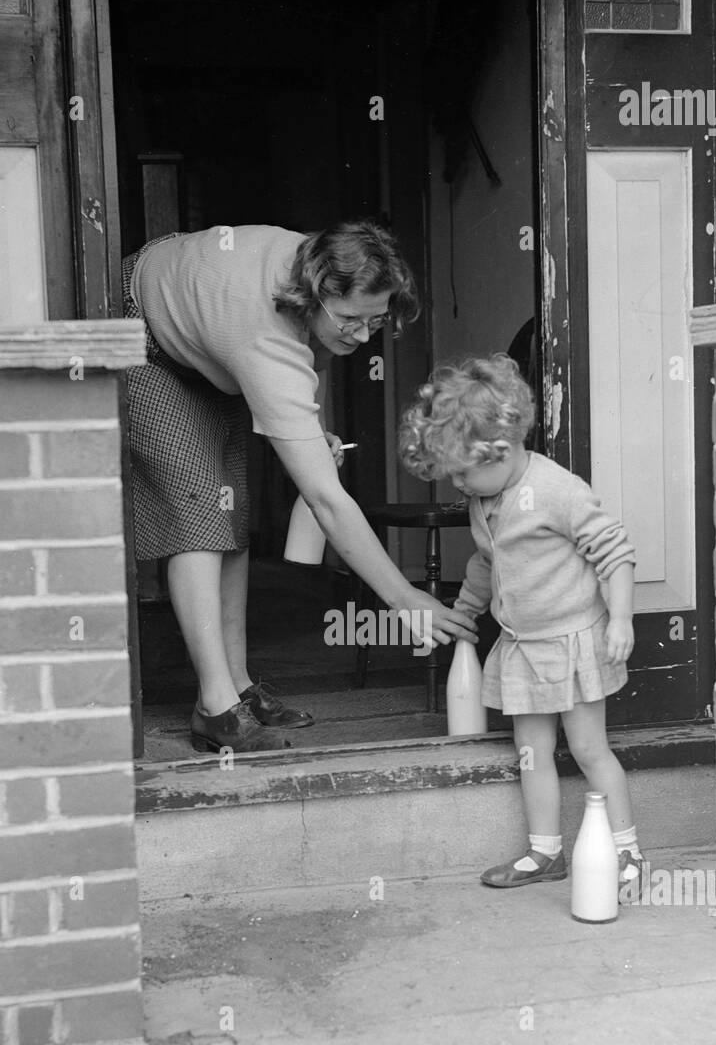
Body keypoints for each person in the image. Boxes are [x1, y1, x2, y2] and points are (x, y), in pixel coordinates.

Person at [123, 218, 476, 753]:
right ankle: (214, 709)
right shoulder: (261, 336)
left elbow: (316, 357)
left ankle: (237, 685)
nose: (362, 335)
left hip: (205, 330)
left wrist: (313, 433)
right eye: (352, 321)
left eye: (376, 321)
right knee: (197, 511)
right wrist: (402, 597)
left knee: (231, 515)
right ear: (314, 295)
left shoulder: (319, 274)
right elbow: (326, 501)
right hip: (145, 333)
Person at [398, 354, 647, 903]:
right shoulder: (486, 496)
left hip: (574, 641)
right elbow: (489, 561)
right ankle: (546, 851)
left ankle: (627, 853)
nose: (459, 485)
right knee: (530, 750)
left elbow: (615, 551)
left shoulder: (557, 489)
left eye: (464, 472)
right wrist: (464, 610)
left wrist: (622, 617)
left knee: (587, 749)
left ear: (503, 450)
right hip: (521, 646)